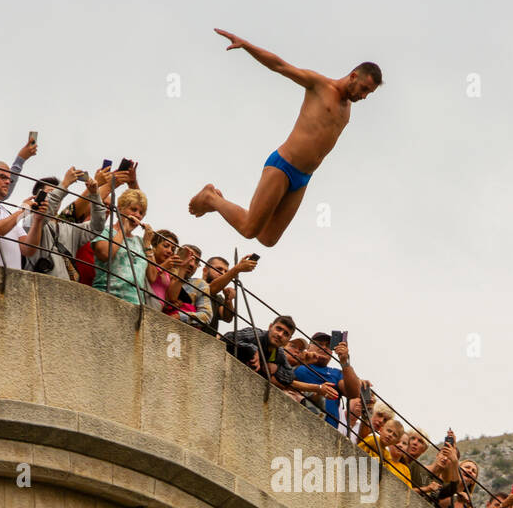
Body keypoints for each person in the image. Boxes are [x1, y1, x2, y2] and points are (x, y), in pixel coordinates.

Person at [189, 30, 382, 247]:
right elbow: (280, 66)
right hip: (284, 165)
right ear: (354, 76)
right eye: (364, 89)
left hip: (303, 178)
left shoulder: (347, 109)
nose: (364, 96)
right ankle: (211, 199)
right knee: (249, 229)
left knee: (268, 238)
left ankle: (217, 201)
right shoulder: (319, 85)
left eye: (369, 93)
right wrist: (246, 45)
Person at [292, 333, 362, 432]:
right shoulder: (299, 363)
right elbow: (283, 379)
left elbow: (354, 393)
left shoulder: (336, 373)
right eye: (319, 344)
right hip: (298, 421)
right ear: (309, 347)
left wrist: (344, 361)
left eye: (328, 346)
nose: (324, 347)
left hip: (328, 431)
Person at [91, 189, 151, 304]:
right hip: (107, 298)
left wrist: (148, 245)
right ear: (120, 209)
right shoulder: (105, 231)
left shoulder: (139, 241)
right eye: (133, 209)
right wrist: (124, 229)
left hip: (136, 303)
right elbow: (104, 254)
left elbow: (152, 278)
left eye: (141, 212)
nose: (137, 215)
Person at [224, 314, 296, 388]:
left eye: (286, 334)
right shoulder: (256, 334)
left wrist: (276, 368)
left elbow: (290, 376)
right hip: (225, 371)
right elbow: (226, 338)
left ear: (288, 340)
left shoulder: (279, 353)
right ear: (270, 327)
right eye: (278, 329)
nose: (280, 335)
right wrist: (252, 349)